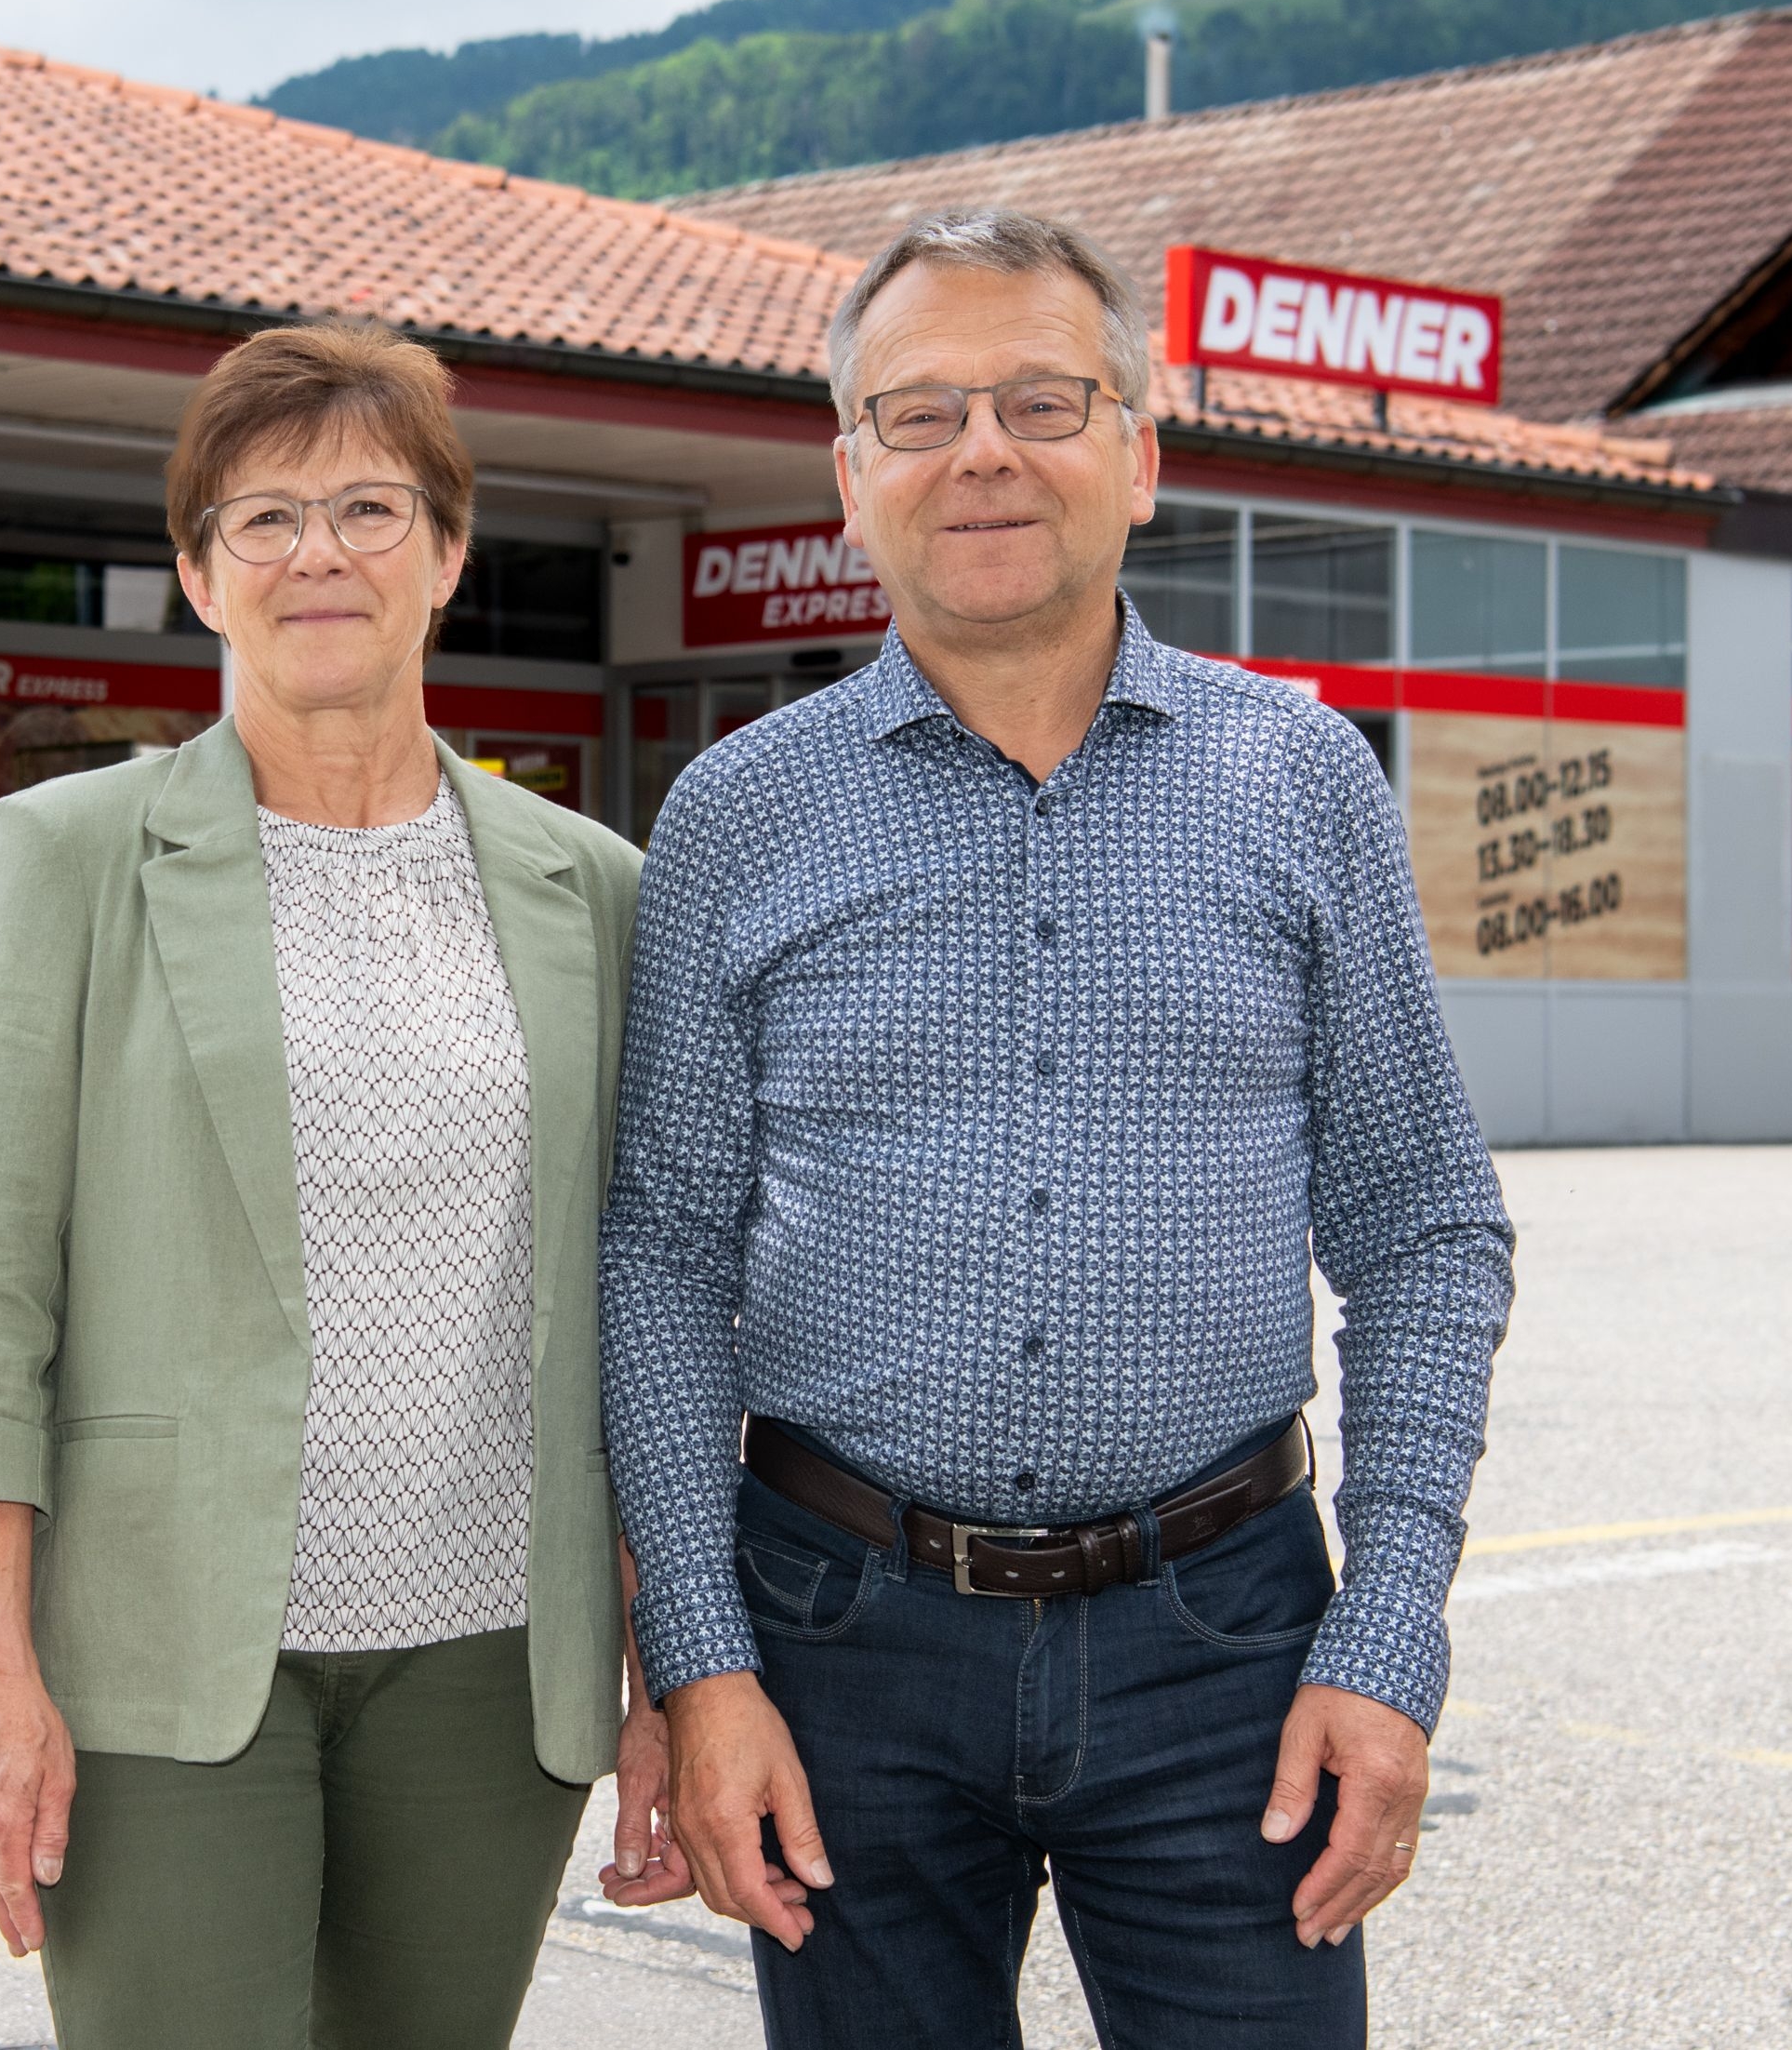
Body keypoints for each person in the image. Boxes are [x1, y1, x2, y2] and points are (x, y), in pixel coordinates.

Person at [600, 208, 1516, 2048]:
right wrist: (698, 1660)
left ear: (1140, 450)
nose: (982, 450)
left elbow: (1423, 1226)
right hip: (834, 1634)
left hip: (1228, 1647)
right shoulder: (733, 814)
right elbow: (656, 1252)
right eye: (917, 412)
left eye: (1037, 397)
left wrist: (1388, 1624)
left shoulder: (1300, 776)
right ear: (847, 473)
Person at [0, 319, 677, 2048]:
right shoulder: (78, 853)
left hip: (491, 1665)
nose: (320, 551)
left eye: (373, 508)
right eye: (263, 519)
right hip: (168, 1660)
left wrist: (659, 1667)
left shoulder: (596, 887)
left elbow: (647, 1309)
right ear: (197, 573)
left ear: (450, 554)